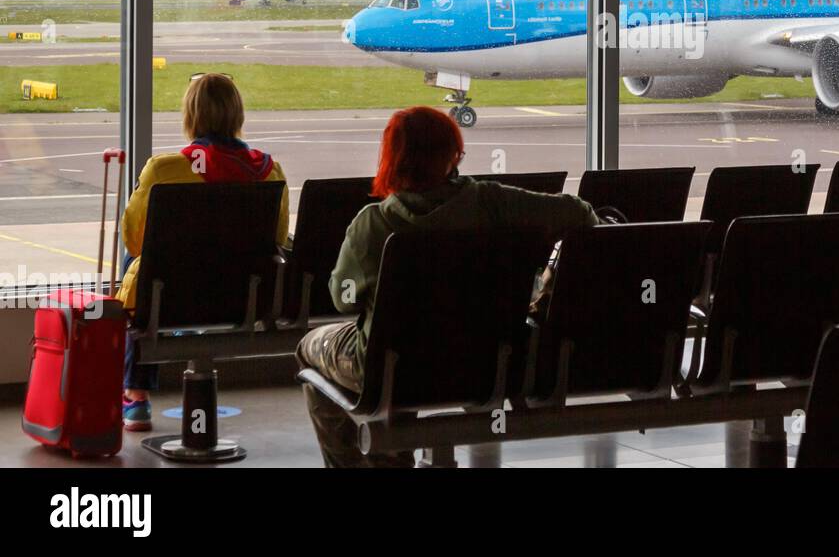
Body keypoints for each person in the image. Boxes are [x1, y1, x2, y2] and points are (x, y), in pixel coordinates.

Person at [296, 105, 599, 468]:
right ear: (451, 154)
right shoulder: (492, 203)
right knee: (403, 347)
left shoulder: (372, 225)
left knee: (311, 349)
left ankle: (367, 458)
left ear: (393, 158)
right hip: (484, 361)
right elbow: (579, 214)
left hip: (396, 366)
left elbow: (342, 299)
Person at [117, 73, 290, 432]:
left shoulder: (165, 170)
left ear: (190, 116)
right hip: (243, 300)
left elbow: (135, 240)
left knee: (134, 262)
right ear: (237, 116)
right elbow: (277, 239)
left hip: (174, 298)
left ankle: (136, 396)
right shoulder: (269, 171)